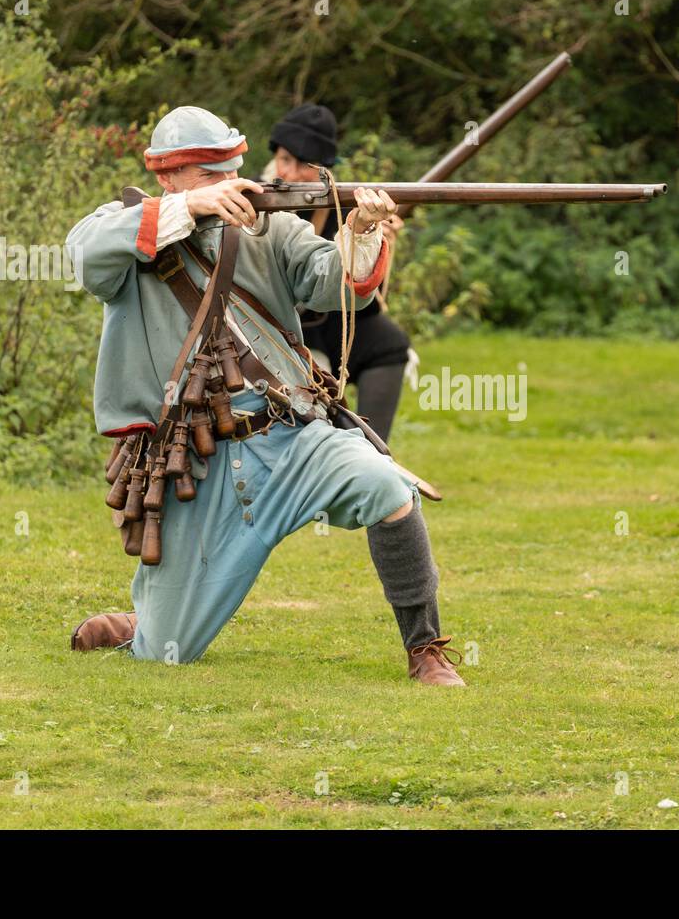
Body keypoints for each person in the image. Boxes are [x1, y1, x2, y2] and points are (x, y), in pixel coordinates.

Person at [65, 106, 464, 686]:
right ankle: (147, 623)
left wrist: (360, 231)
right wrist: (190, 210)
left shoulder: (270, 227)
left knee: (385, 484)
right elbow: (84, 251)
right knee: (166, 652)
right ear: (167, 178)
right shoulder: (132, 228)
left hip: (290, 432)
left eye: (231, 169)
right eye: (209, 177)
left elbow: (335, 285)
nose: (228, 184)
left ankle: (425, 647)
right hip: (196, 457)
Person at [268, 103, 413, 442]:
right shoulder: (261, 205)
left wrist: (373, 241)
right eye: (285, 160)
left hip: (331, 323)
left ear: (323, 168)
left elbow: (359, 293)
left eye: (303, 164)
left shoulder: (342, 206)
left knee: (389, 345)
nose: (289, 174)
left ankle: (374, 450)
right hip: (279, 327)